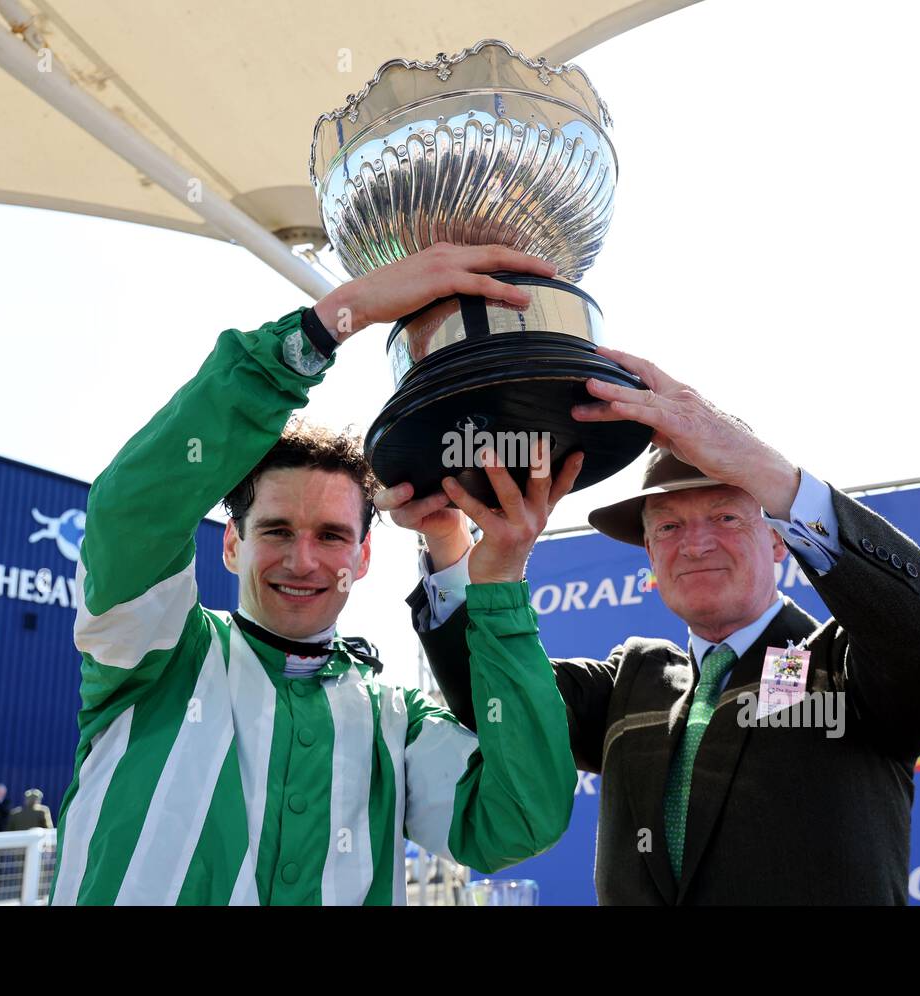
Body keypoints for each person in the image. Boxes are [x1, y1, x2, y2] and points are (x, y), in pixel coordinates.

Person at [50, 243, 581, 906]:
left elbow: (521, 821)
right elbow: (131, 512)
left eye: (331, 536)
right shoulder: (155, 657)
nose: (303, 561)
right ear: (231, 545)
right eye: (276, 531)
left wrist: (494, 579)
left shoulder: (397, 720)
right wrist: (330, 322)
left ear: (362, 559)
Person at [387, 348, 920, 905]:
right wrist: (448, 541)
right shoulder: (633, 681)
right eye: (668, 527)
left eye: (727, 515)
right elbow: (495, 700)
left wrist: (762, 469)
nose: (696, 544)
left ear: (779, 539)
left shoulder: (843, 669)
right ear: (649, 554)